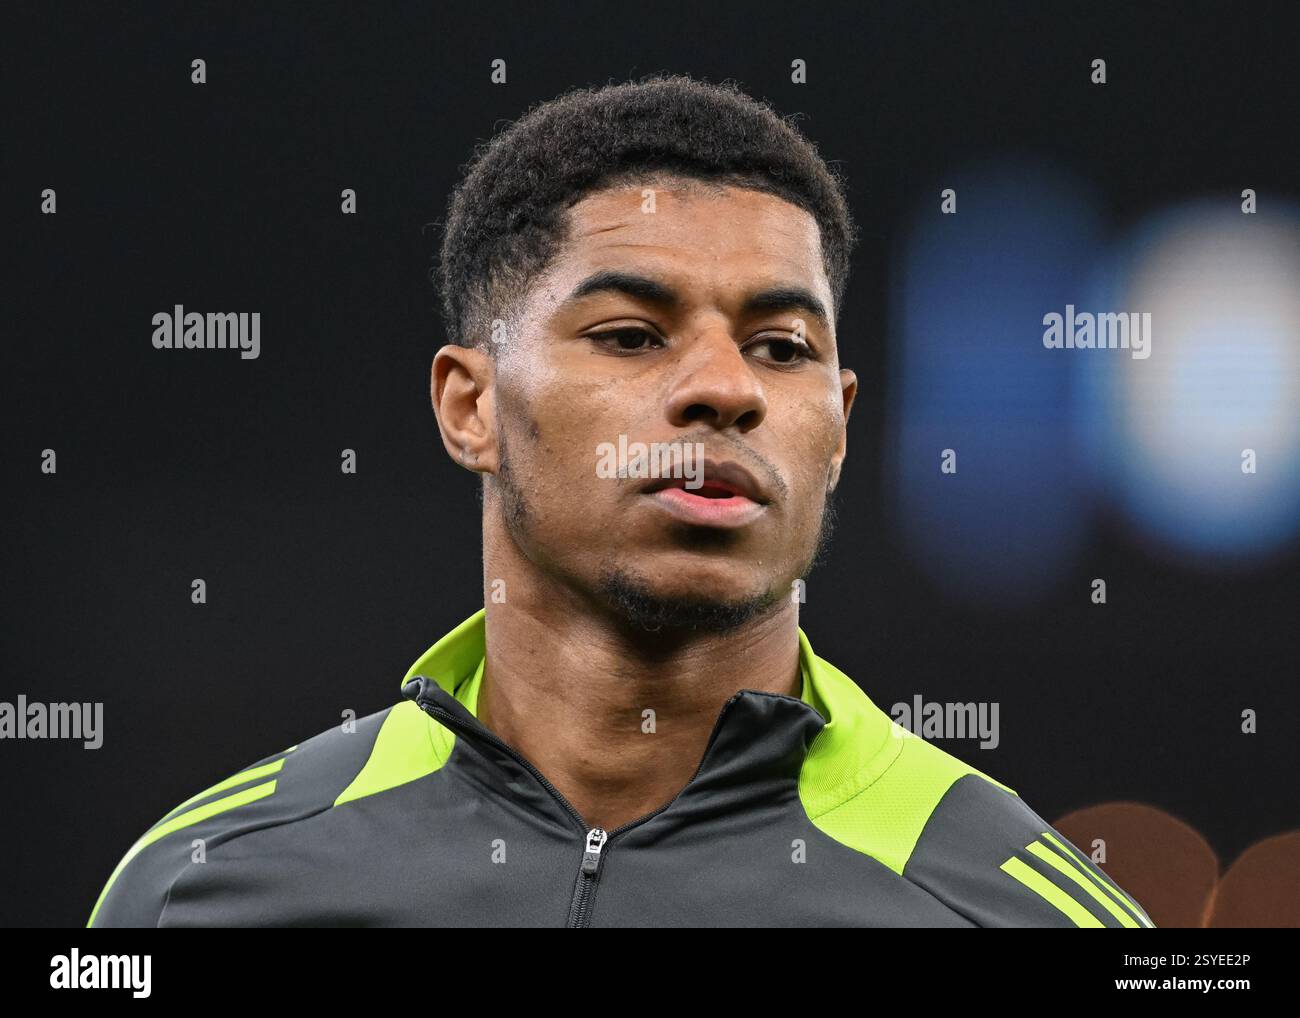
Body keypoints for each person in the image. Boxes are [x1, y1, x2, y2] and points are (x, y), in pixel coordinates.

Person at [89, 75, 1153, 928]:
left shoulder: (1012, 905)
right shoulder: (204, 885)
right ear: (471, 408)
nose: (725, 389)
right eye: (631, 335)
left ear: (835, 428)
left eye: (780, 349)